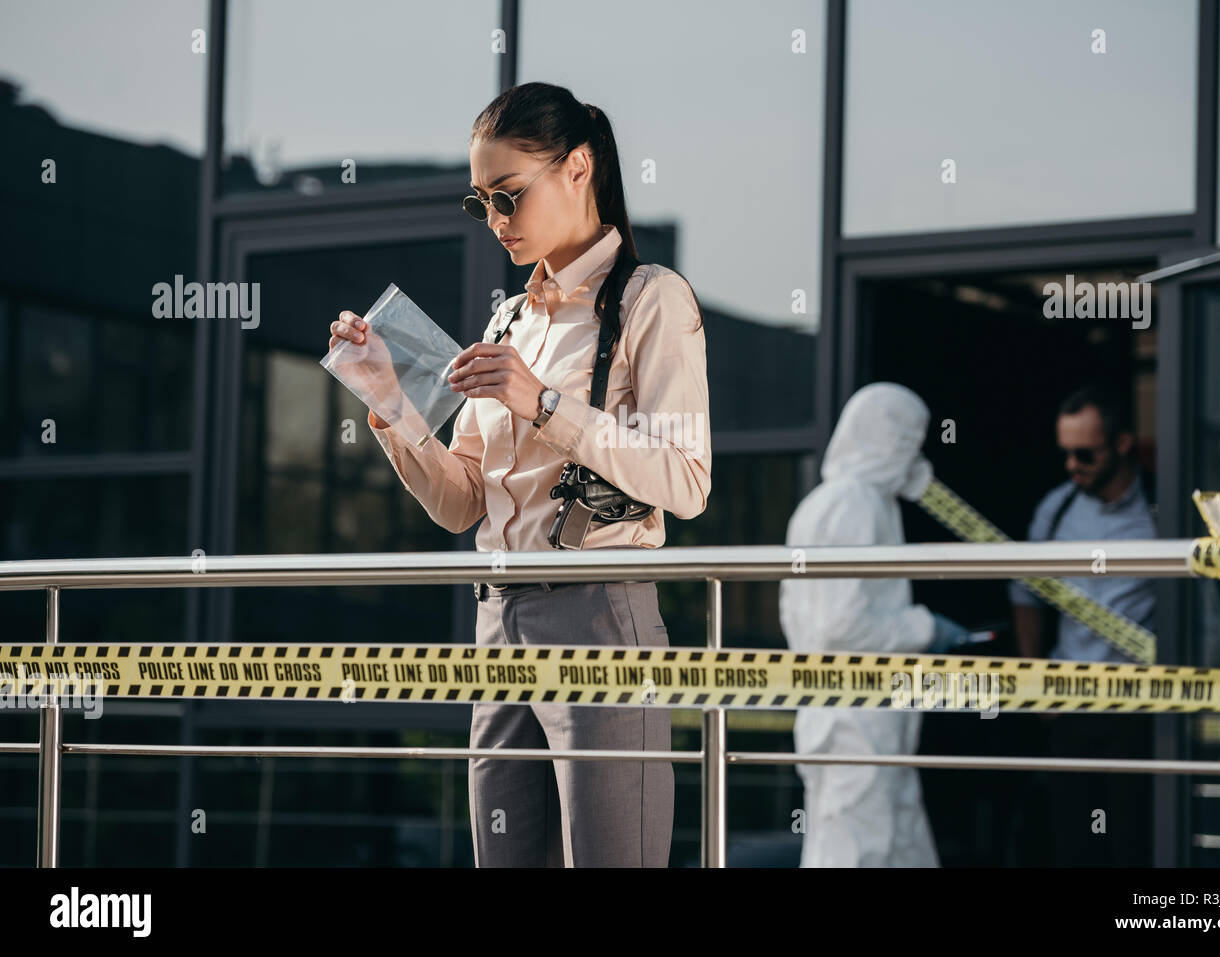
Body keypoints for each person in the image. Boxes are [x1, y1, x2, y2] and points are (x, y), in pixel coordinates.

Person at [328, 82, 711, 867]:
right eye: (481, 206)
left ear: (578, 167)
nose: (497, 223)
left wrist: (540, 402)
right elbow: (462, 503)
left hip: (601, 618)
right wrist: (391, 401)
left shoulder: (651, 300)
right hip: (496, 623)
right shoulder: (510, 319)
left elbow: (686, 479)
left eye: (507, 197)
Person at [779, 382, 972, 868]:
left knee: (899, 846)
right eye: (907, 442)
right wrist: (925, 628)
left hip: (869, 710)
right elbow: (839, 627)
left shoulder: (846, 502)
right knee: (853, 852)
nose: (912, 453)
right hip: (855, 717)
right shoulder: (854, 505)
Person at [1008, 382, 1157, 867]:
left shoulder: (1164, 510)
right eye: (1065, 453)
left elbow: (1205, 605)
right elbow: (1024, 591)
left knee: (1134, 841)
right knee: (1071, 842)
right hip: (1070, 701)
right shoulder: (1058, 509)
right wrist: (1033, 676)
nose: (1072, 465)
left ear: (1122, 445)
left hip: (1142, 706)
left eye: (1085, 454)